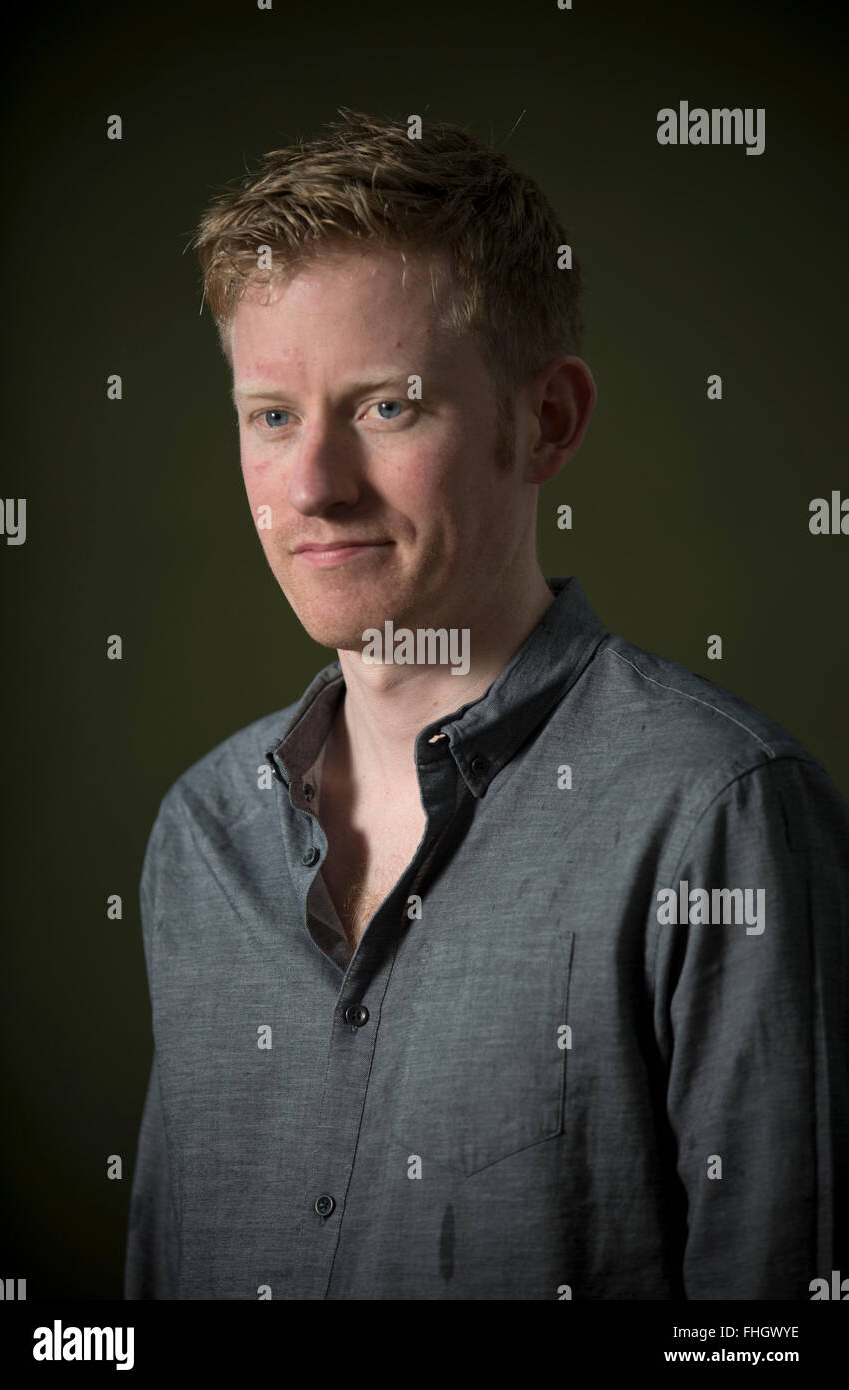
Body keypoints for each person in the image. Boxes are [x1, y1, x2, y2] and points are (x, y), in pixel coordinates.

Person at [124, 108, 849, 1300]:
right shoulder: (201, 836)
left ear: (546, 421)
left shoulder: (716, 818)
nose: (311, 484)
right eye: (270, 415)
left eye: (386, 406)